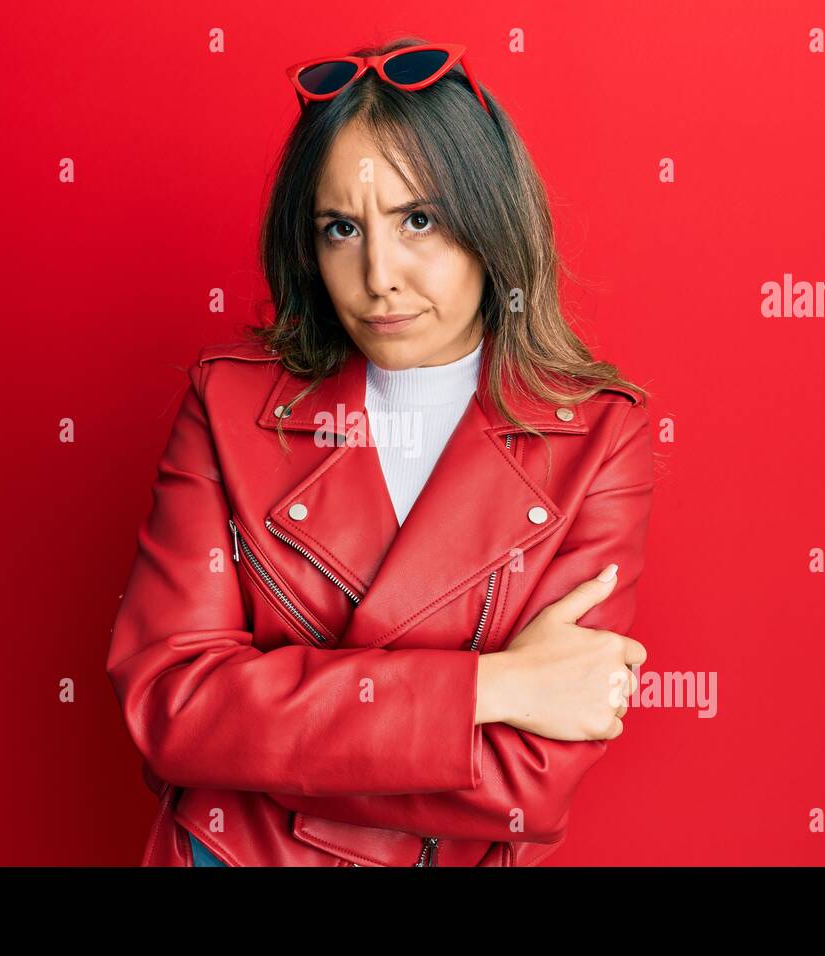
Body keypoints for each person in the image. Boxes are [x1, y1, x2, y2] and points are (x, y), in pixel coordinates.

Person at [107, 36, 654, 867]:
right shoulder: (226, 406)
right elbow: (173, 708)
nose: (380, 273)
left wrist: (267, 743)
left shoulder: (597, 438)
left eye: (419, 220)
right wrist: (492, 688)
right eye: (340, 228)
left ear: (490, 222)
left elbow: (529, 785)